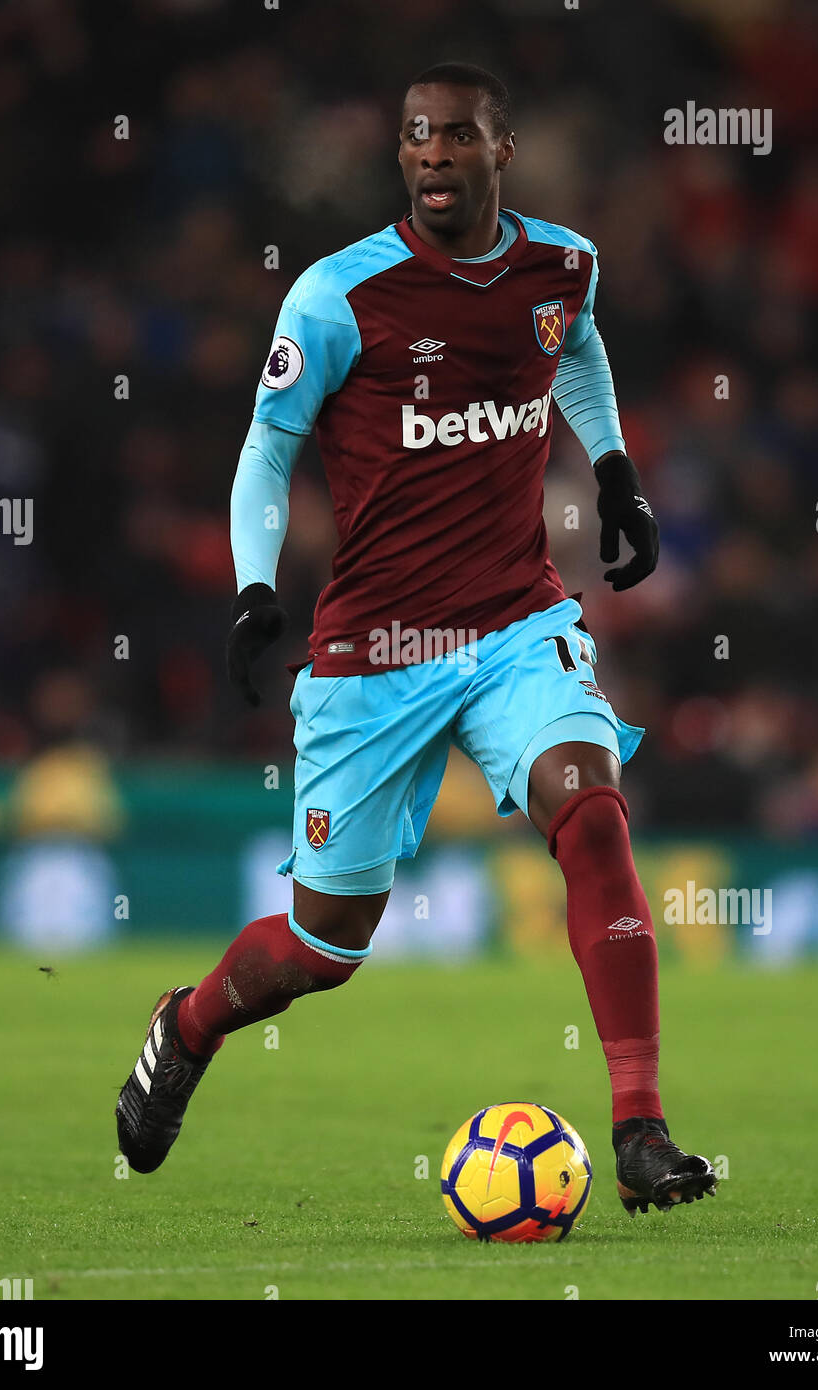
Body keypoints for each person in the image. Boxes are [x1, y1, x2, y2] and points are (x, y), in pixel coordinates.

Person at [116, 62, 717, 1220]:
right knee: (325, 944)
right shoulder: (339, 297)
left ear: (505, 149)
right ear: (400, 157)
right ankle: (186, 1024)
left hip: (514, 619)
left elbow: (575, 348)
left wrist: (614, 468)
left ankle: (640, 1125)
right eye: (413, 138)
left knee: (592, 816)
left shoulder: (563, 265)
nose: (432, 153)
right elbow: (264, 447)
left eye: (455, 136)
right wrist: (252, 588)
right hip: (375, 647)